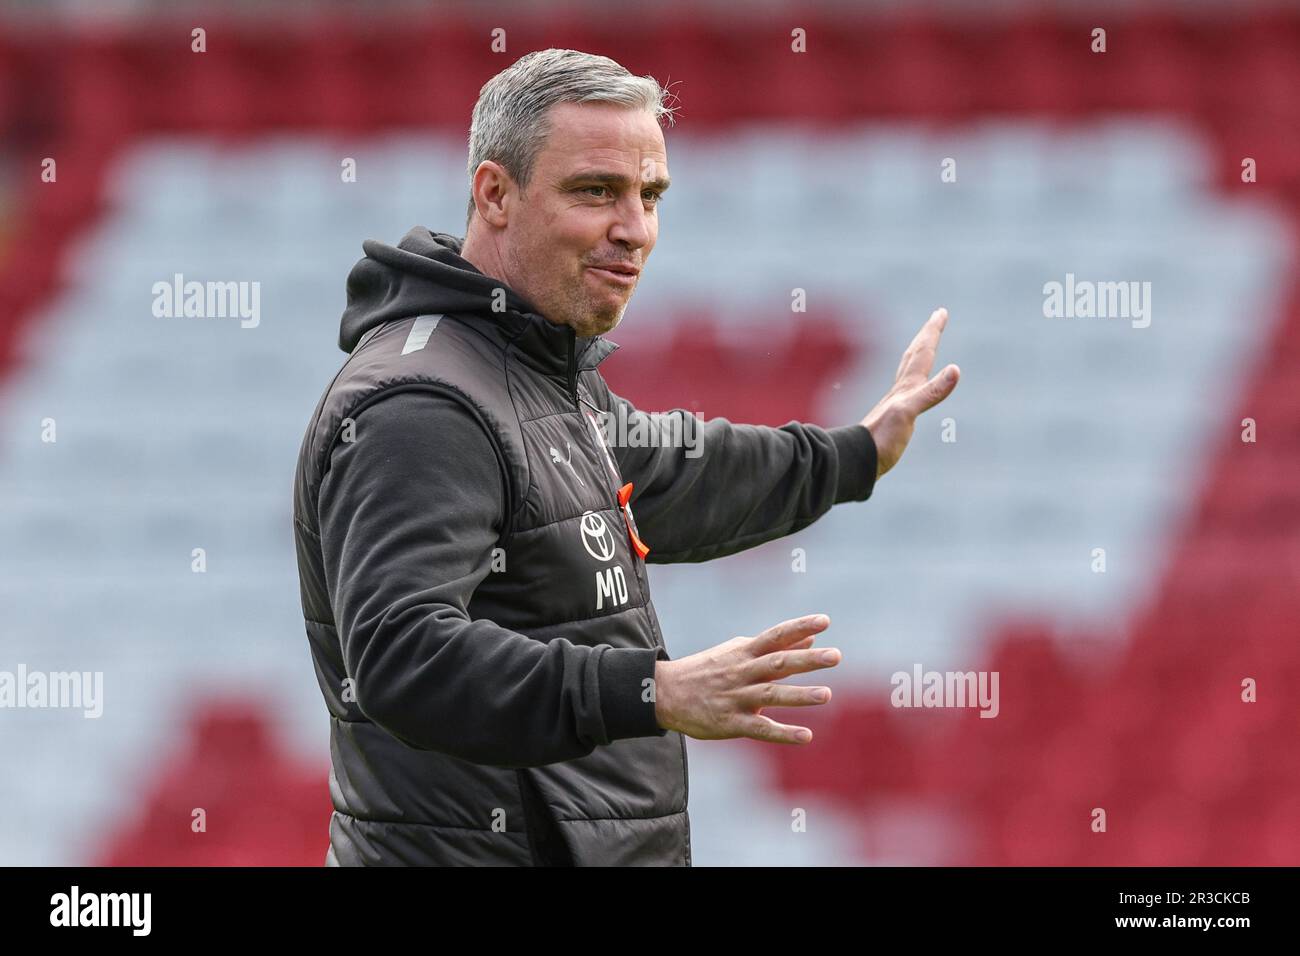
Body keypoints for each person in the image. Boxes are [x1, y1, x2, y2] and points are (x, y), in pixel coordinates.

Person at [292, 48, 959, 866]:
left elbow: (672, 470)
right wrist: (653, 688)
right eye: (596, 191)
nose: (634, 229)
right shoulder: (422, 404)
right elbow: (404, 654)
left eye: (650, 196)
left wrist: (854, 454)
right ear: (494, 194)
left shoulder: (528, 368)